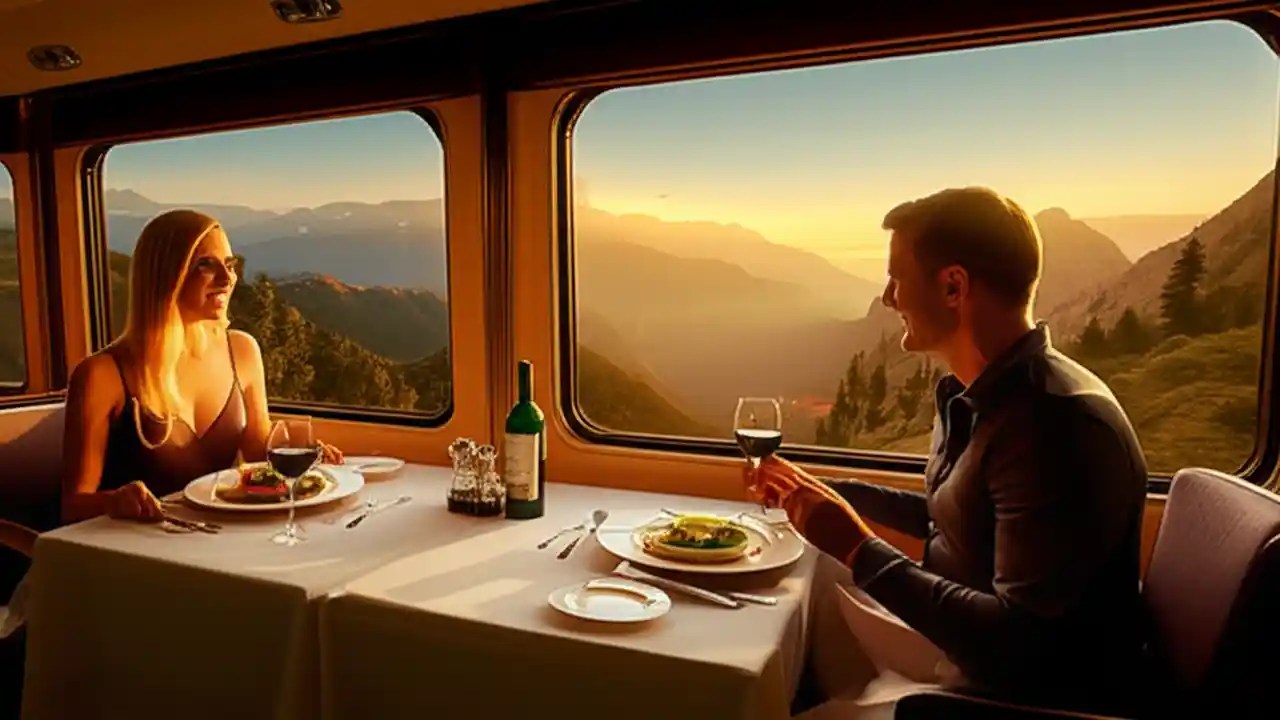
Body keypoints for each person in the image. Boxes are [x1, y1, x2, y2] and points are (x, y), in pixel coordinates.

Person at [750, 188, 1148, 715]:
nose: (888, 298)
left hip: (1005, 696)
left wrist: (856, 547)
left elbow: (1022, 648)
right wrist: (831, 497)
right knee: (811, 590)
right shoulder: (989, 396)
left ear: (953, 287)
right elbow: (959, 521)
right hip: (964, 648)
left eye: (897, 279)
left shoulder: (1056, 426)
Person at [61, 209, 342, 523]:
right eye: (205, 265)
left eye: (230, 265)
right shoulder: (102, 376)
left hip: (215, 538)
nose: (227, 279)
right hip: (134, 544)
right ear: (164, 275)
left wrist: (303, 460)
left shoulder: (242, 352)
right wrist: (114, 501)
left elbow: (259, 459)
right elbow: (73, 507)